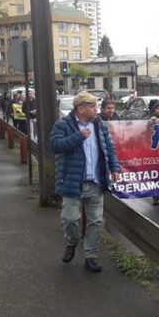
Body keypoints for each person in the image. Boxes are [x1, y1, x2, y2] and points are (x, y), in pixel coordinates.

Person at [50, 90, 120, 273]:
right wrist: (78, 136)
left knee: (96, 221)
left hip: (96, 182)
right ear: (81, 108)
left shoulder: (99, 125)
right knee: (70, 219)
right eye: (92, 106)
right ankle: (72, 241)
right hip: (73, 182)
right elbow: (55, 146)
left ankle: (91, 256)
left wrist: (115, 168)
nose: (96, 109)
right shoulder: (63, 124)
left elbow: (109, 148)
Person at [144, 99, 159, 205]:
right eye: (158, 108)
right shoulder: (146, 119)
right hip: (152, 151)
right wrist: (150, 123)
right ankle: (155, 195)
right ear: (153, 109)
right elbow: (142, 132)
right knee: (155, 174)